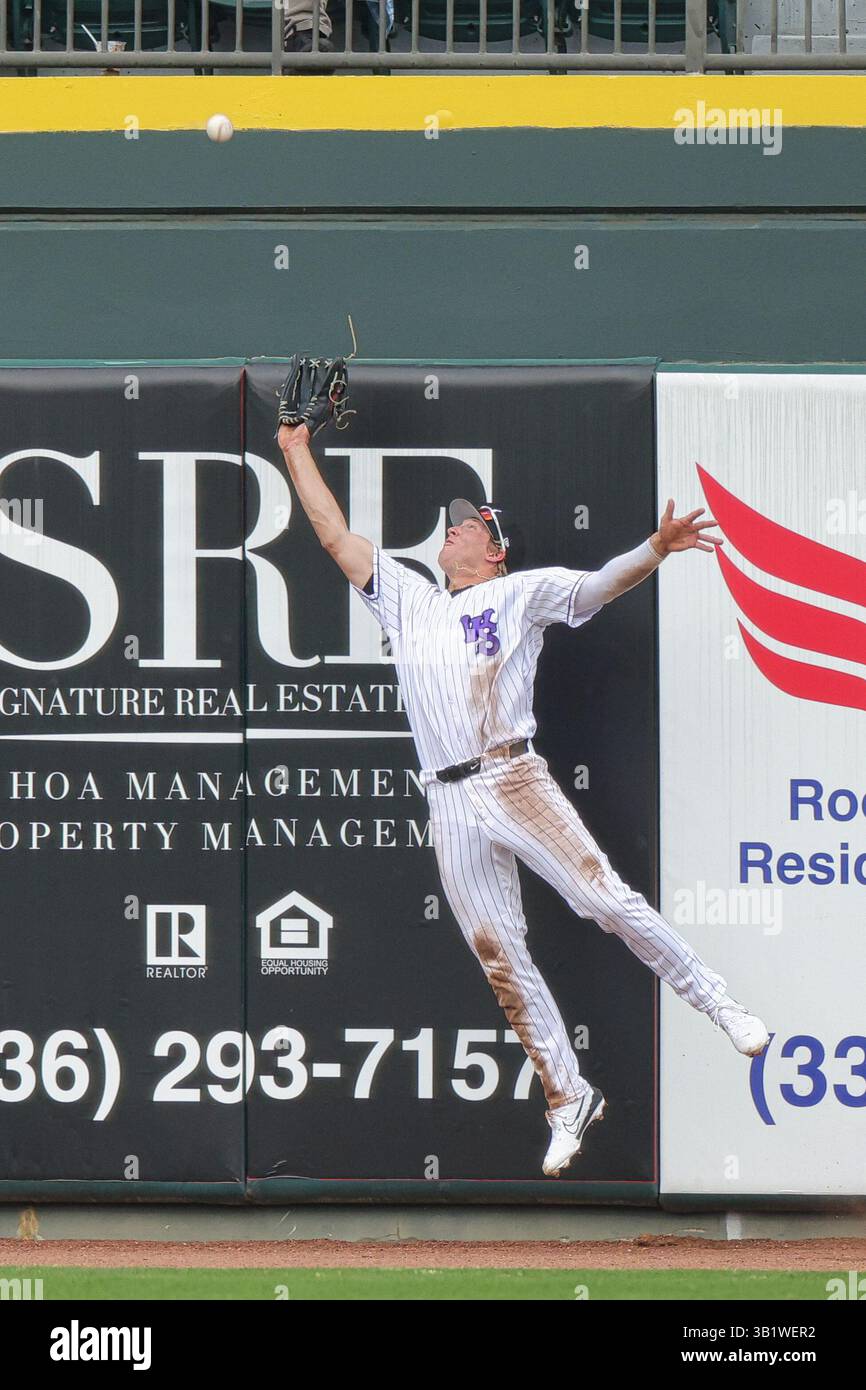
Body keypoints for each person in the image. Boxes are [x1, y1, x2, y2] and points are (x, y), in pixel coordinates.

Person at [277, 420, 770, 1177]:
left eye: (465, 524)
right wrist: (294, 450)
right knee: (499, 955)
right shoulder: (408, 598)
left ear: (494, 546)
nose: (451, 531)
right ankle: (566, 1096)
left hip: (511, 774)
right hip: (445, 799)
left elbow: (600, 584)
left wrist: (657, 548)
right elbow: (335, 536)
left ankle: (719, 1003)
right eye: (450, 525)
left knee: (602, 901)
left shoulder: (517, 593)